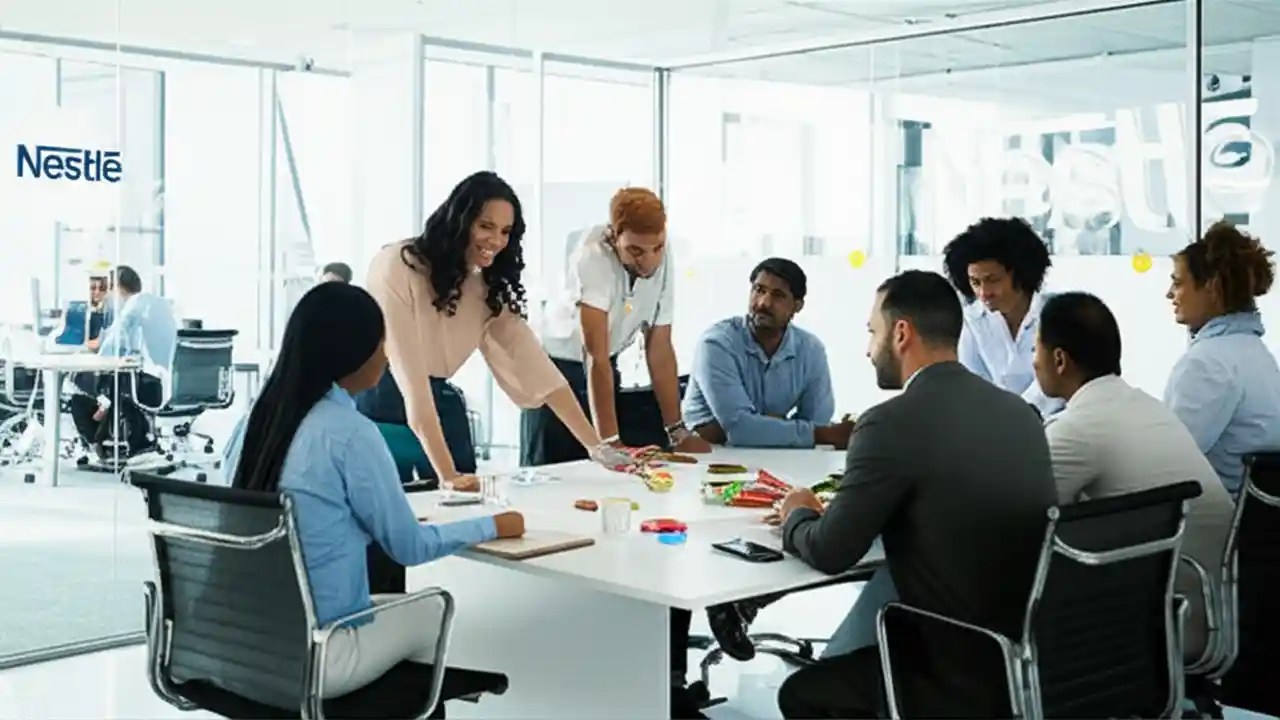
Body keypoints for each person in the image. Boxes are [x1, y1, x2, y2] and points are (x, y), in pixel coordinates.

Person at [222, 281, 526, 702]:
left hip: (235, 647)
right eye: (381, 342)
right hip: (318, 656)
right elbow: (409, 548)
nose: (387, 355)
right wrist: (494, 524)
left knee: (385, 605)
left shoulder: (252, 424)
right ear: (353, 353)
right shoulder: (350, 434)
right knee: (431, 608)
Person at [774, 270, 1055, 719]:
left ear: (901, 332)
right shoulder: (1020, 414)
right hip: (1022, 659)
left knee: (801, 693)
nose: (868, 350)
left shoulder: (888, 423)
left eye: (873, 332)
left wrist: (797, 515)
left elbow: (830, 551)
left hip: (945, 667)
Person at [364, 171, 636, 491]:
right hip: (383, 404)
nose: (496, 240)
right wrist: (448, 476)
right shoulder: (397, 266)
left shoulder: (484, 288)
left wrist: (597, 448)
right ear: (459, 220)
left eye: (505, 231)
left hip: (439, 406)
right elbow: (411, 383)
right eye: (485, 226)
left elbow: (539, 370)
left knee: (464, 510)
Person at [1033, 291, 1233, 661]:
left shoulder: (1078, 428)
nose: (1034, 362)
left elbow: (1020, 518)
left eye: (1035, 350)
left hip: (1153, 629)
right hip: (1219, 613)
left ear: (1059, 359)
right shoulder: (1147, 406)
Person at [523, 186, 712, 466]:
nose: (648, 262)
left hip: (604, 371)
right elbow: (594, 355)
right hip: (556, 373)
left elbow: (659, 346)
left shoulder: (661, 250)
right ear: (614, 236)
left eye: (656, 248)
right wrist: (610, 442)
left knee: (611, 483)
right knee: (557, 484)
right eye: (635, 250)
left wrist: (676, 430)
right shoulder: (592, 257)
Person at [683, 258, 850, 448]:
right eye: (759, 290)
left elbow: (818, 421)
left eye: (778, 295)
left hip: (780, 455)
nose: (763, 303)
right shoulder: (717, 343)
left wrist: (761, 427)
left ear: (797, 306)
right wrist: (796, 429)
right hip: (706, 453)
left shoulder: (811, 350)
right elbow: (739, 429)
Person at [1164, 221, 1280, 496]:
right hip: (1254, 526)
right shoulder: (1257, 355)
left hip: (1214, 525)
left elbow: (1167, 462)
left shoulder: (1207, 364)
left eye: (1178, 283)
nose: (1170, 294)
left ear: (1212, 287)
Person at [943, 216, 1062, 418]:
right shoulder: (971, 321)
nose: (983, 292)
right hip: (996, 427)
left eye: (993, 280)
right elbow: (971, 384)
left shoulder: (1059, 314)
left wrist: (1014, 417)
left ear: (1022, 274)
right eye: (975, 282)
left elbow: (1060, 385)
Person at [69, 265, 177, 457]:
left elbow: (114, 343)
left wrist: (91, 357)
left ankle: (97, 444)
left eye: (109, 290)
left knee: (77, 384)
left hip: (141, 385)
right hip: (160, 383)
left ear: (116, 288)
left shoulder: (134, 306)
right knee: (103, 387)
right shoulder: (156, 304)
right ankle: (108, 433)